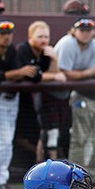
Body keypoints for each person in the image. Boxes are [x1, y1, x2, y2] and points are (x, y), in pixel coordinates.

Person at [0, 19, 40, 189]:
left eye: (9, 34)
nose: (6, 37)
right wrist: (16, 73)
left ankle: (0, 178)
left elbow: (26, 74)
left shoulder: (12, 51)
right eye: (2, 34)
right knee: (0, 141)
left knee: (5, 141)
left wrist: (15, 74)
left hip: (11, 99)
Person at [15, 21, 66, 166]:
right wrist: (53, 76)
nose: (44, 40)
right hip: (17, 99)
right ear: (30, 37)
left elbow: (52, 74)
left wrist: (54, 59)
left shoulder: (45, 52)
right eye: (39, 37)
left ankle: (43, 164)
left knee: (43, 132)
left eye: (46, 37)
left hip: (36, 100)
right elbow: (32, 75)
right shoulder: (23, 50)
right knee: (21, 135)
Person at [56, 17, 95, 172]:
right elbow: (65, 72)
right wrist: (84, 74)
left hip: (73, 94)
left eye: (88, 30)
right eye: (82, 30)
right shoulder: (67, 43)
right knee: (50, 133)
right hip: (51, 93)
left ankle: (84, 174)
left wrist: (79, 74)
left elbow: (94, 70)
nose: (85, 34)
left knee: (76, 134)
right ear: (74, 31)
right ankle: (68, 174)